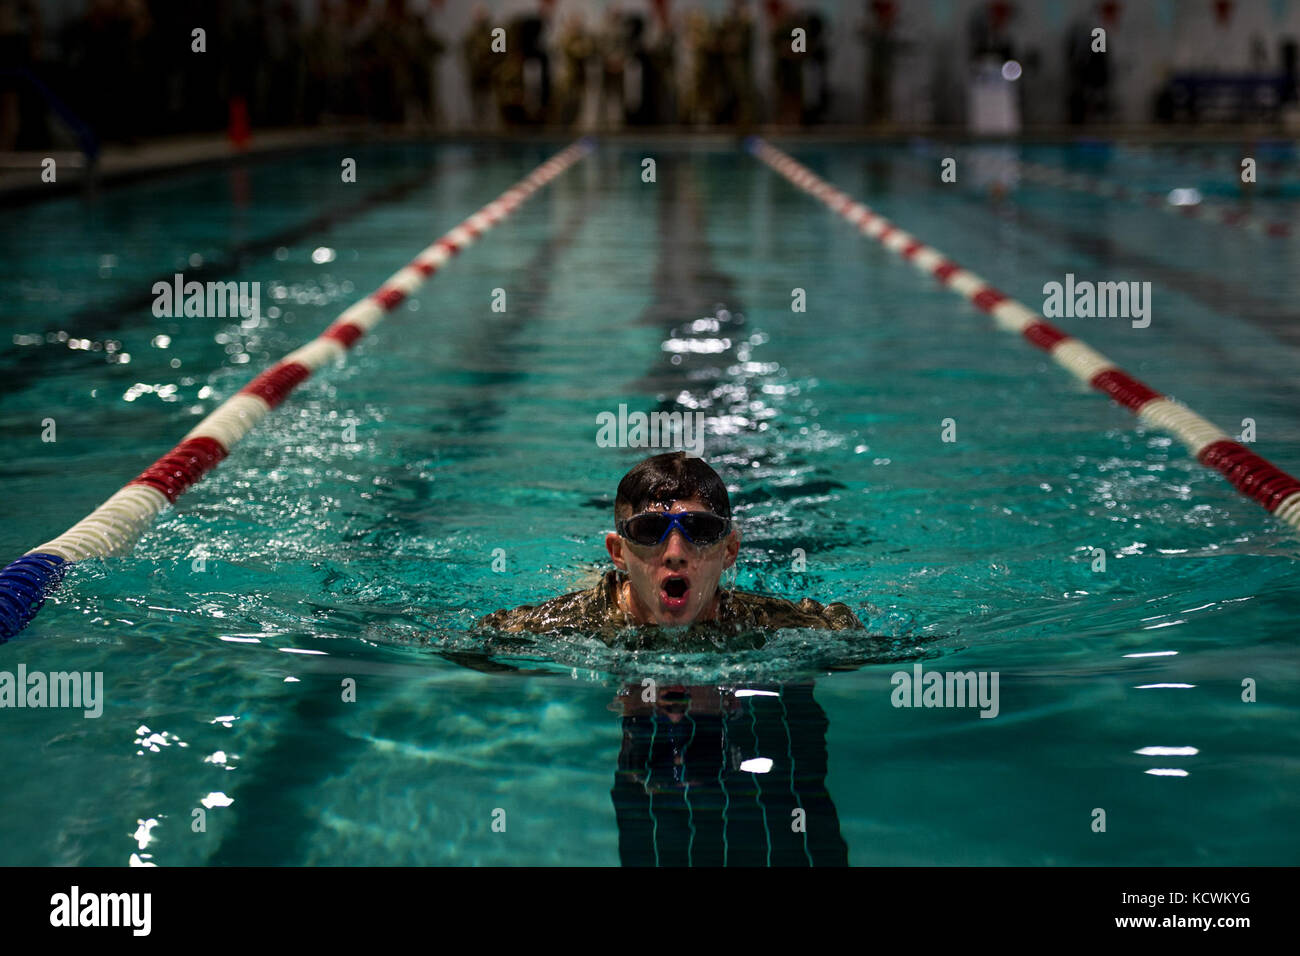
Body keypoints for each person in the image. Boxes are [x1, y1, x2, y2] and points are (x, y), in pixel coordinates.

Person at [478, 452, 862, 636]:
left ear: (730, 551)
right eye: (648, 531)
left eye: (699, 529)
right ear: (618, 552)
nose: (675, 554)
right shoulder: (563, 625)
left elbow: (847, 630)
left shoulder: (768, 623)